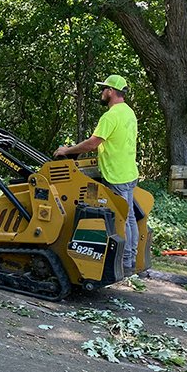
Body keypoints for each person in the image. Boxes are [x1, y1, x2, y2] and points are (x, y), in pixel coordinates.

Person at [54, 75, 140, 276]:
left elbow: (93, 143)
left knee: (120, 219)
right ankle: (132, 258)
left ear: (111, 91)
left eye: (104, 89)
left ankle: (125, 262)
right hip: (129, 172)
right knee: (129, 218)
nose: (102, 93)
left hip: (116, 175)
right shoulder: (129, 113)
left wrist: (67, 151)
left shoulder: (110, 116)